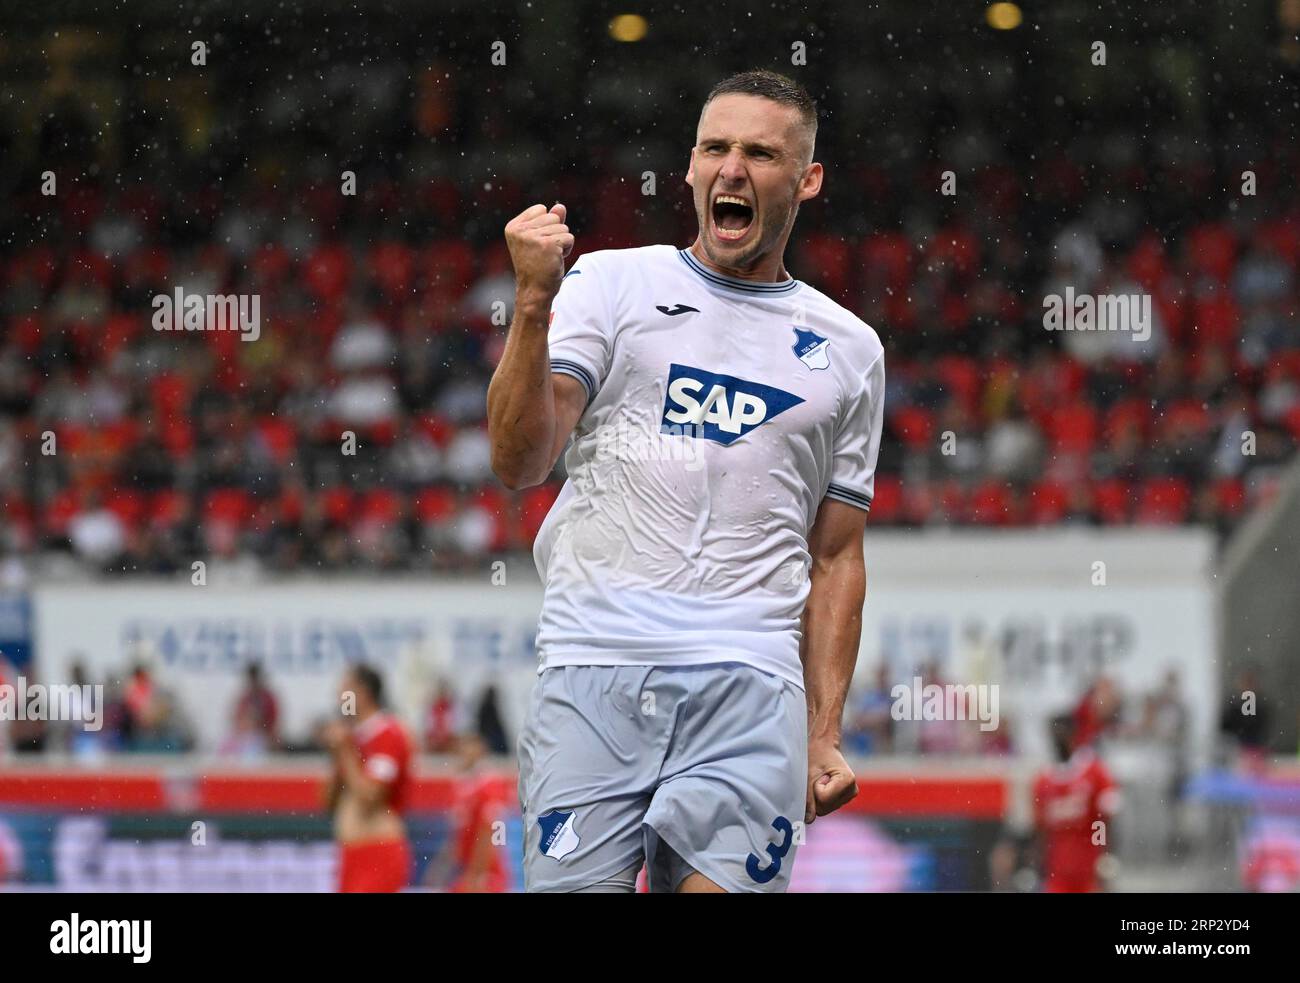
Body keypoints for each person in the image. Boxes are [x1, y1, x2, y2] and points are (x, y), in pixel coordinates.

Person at [488, 70, 886, 893]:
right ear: (692, 168)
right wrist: (532, 304)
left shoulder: (850, 350)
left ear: (807, 180)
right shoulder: (608, 285)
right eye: (716, 147)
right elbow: (519, 463)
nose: (732, 168)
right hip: (594, 665)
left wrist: (823, 732)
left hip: (750, 683)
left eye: (761, 153)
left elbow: (837, 557)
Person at [323, 664, 413, 893]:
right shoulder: (354, 738)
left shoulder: (387, 733)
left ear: (361, 692)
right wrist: (338, 755)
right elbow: (327, 802)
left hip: (377, 852)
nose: (339, 696)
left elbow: (370, 797)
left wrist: (345, 751)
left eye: (345, 688)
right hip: (351, 853)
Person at [1032, 714, 1121, 893]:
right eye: (1054, 735)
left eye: (1061, 734)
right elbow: (1041, 829)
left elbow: (1104, 819)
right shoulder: (1043, 781)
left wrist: (1105, 855)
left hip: (1088, 869)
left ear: (1073, 735)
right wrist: (1038, 865)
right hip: (1057, 871)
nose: (1057, 740)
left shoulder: (1095, 773)